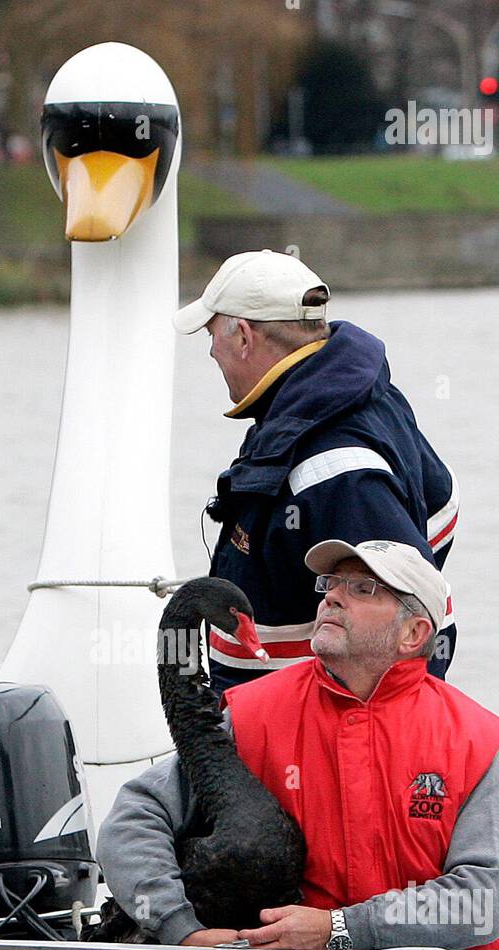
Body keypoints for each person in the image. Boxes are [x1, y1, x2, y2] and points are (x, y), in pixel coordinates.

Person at [96, 540, 499, 950]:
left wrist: (340, 929)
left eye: (362, 589)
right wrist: (178, 926)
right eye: (331, 584)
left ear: (414, 633)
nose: (332, 596)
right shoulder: (254, 714)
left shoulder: (472, 738)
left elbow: (484, 900)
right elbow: (133, 819)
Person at [174, 249, 459, 695]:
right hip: (280, 717)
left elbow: (420, 613)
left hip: (309, 736)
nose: (211, 350)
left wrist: (377, 738)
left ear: (244, 337)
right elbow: (442, 510)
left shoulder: (335, 471)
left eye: (213, 334)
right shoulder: (359, 398)